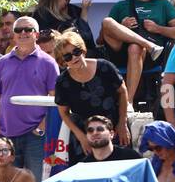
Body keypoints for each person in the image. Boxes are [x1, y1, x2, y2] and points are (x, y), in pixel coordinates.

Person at [0, 15, 59, 176]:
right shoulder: (2, 63)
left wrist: (40, 128)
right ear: (13, 34)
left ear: (37, 35)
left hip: (36, 138)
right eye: (18, 30)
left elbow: (55, 100)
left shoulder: (49, 63)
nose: (23, 33)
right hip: (6, 136)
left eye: (28, 29)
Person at [102, 0, 175, 105]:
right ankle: (148, 45)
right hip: (120, 50)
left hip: (152, 56)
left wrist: (158, 28)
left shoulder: (163, 5)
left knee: (135, 47)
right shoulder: (121, 5)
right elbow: (101, 37)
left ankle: (128, 102)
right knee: (107, 22)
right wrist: (122, 26)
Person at [54, 30, 129, 166]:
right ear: (62, 61)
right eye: (67, 57)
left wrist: (122, 123)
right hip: (83, 133)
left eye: (76, 52)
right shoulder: (62, 82)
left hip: (114, 128)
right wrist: (80, 136)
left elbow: (123, 92)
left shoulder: (105, 67)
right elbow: (64, 113)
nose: (74, 58)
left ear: (83, 50)